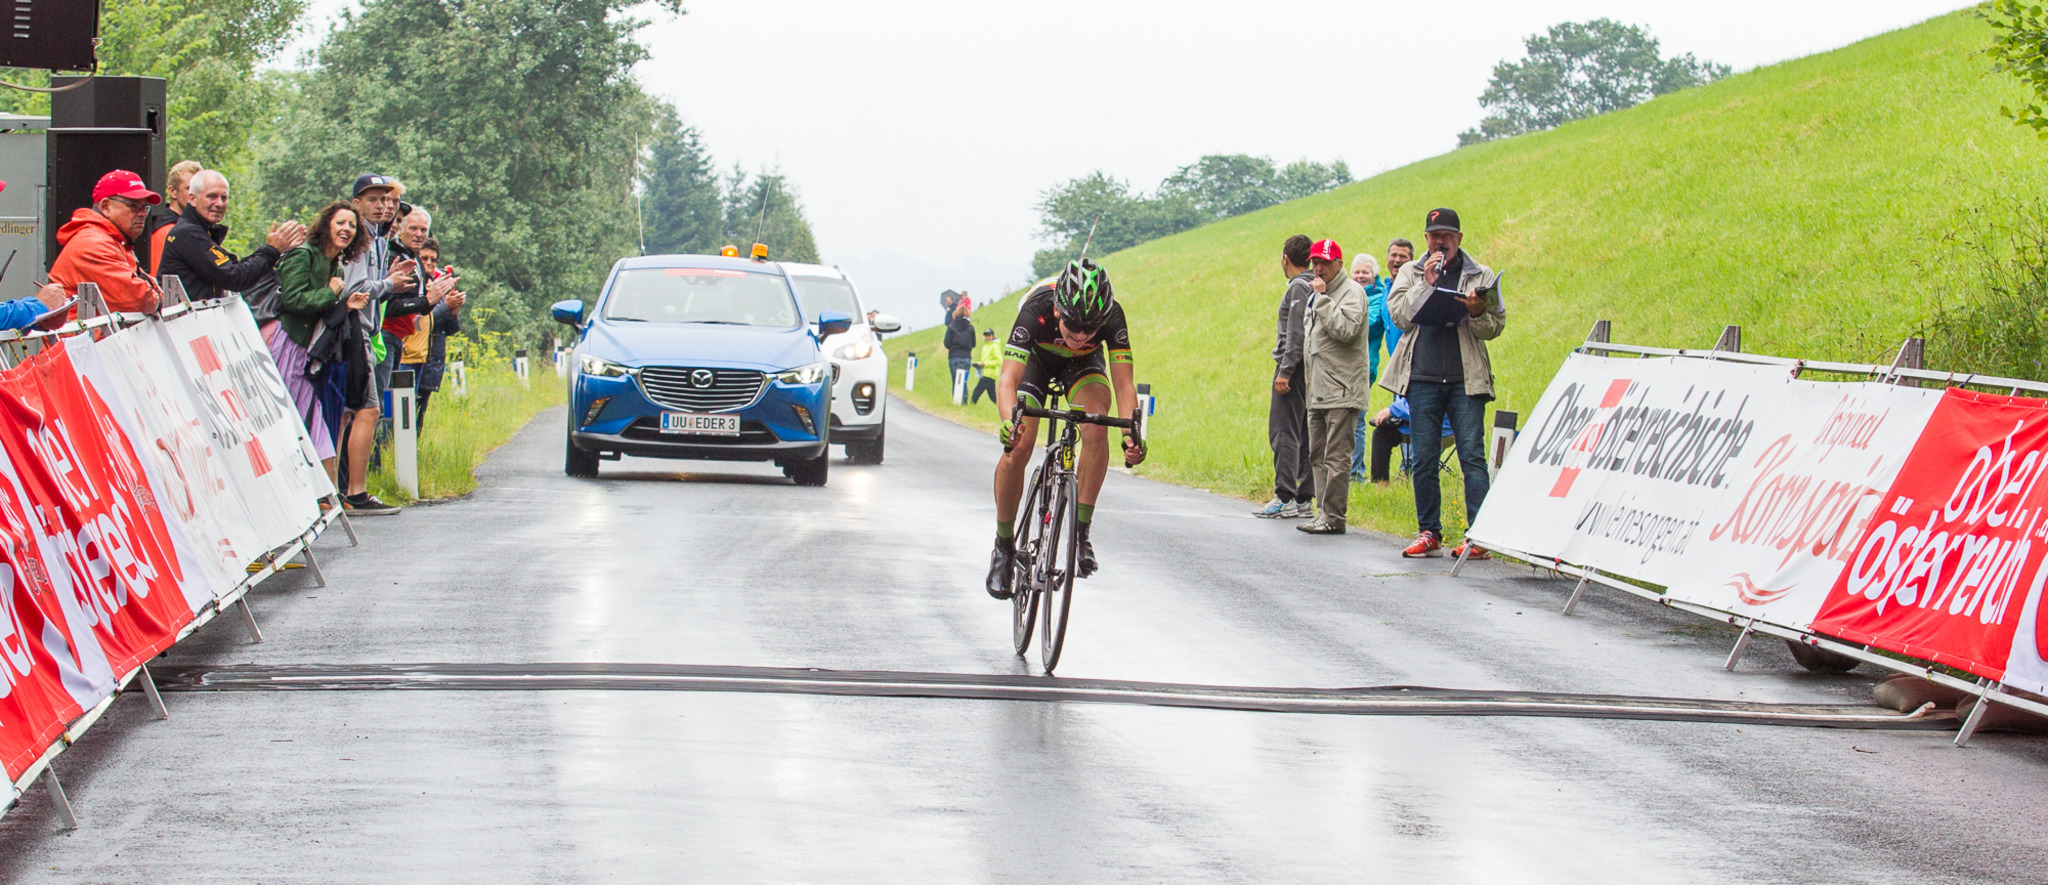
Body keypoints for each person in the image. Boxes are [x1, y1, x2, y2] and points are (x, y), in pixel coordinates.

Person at [985, 259, 1146, 599]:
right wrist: (1007, 421)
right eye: (1073, 327)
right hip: (1037, 362)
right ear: (1057, 309)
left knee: (1096, 425)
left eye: (1090, 330)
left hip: (1083, 366)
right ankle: (1003, 547)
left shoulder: (1113, 316)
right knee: (1019, 446)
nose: (1080, 336)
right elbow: (1007, 380)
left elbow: (1124, 385)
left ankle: (1081, 533)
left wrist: (1131, 433)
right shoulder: (1036, 307)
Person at [1383, 208, 1507, 559]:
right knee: (1422, 457)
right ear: (1426, 239)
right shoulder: (1410, 271)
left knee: (1471, 454)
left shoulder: (1478, 273)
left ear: (1459, 239)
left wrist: (1477, 311)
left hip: (1466, 381)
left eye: (1447, 235)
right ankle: (1429, 532)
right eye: (1435, 235)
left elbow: (1494, 328)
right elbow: (1400, 318)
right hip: (1421, 378)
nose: (1441, 241)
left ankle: (1477, 536)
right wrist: (1427, 283)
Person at [336, 174, 418, 515]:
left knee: (348, 413)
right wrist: (390, 284)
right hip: (352, 331)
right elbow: (353, 289)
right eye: (374, 199)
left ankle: (337, 492)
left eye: (388, 200)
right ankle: (352, 492)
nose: (383, 206)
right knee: (364, 411)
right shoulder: (359, 238)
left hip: (365, 333)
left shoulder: (380, 239)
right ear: (356, 203)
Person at [275, 201, 370, 486]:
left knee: (315, 417)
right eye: (341, 222)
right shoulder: (303, 256)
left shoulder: (336, 268)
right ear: (326, 225)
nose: (346, 229)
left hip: (314, 353)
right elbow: (292, 300)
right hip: (290, 346)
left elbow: (326, 312)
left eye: (352, 225)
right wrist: (329, 293)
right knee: (287, 417)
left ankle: (324, 492)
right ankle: (296, 489)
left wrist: (347, 305)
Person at [1297, 239, 1369, 535]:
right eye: (1315, 262)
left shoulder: (1353, 292)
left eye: (1325, 262)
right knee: (1317, 454)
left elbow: (1346, 331)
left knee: (1337, 457)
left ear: (1339, 264)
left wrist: (1323, 300)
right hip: (1317, 390)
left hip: (1342, 391)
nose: (1318, 268)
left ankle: (1333, 517)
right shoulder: (1317, 294)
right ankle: (1321, 513)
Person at [156, 169, 305, 303]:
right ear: (192, 199)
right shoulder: (188, 233)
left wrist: (278, 250)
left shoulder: (200, 231)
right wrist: (272, 250)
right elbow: (233, 278)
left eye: (224, 198)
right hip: (185, 326)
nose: (219, 203)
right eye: (212, 196)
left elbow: (236, 269)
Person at [1254, 234, 1316, 519]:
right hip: (1309, 370)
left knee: (1283, 432)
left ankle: (1285, 495)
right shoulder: (1313, 286)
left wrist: (1285, 371)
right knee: (1304, 432)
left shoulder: (1297, 289)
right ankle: (1304, 499)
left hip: (1293, 371)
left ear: (1285, 259)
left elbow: (1296, 334)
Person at [50, 169, 164, 316]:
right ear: (105, 206)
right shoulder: (94, 244)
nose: (142, 214)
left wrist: (152, 293)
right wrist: (155, 296)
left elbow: (147, 290)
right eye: (133, 206)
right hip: (83, 338)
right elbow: (140, 299)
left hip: (95, 337)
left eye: (145, 208)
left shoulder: (113, 241)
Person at [406, 235, 464, 427]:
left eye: (433, 259)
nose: (429, 263)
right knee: (404, 414)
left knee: (419, 414)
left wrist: (453, 311)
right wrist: (444, 308)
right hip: (411, 354)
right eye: (424, 258)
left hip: (433, 358)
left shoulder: (441, 283)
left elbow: (451, 329)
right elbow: (418, 320)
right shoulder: (413, 283)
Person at [146, 160, 203, 277]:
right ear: (173, 191)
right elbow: (157, 281)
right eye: (189, 188)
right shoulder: (165, 232)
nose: (196, 195)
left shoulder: (198, 228)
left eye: (200, 189)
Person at [943, 296, 975, 392]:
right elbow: (973, 344)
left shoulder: (951, 327)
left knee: (955, 380)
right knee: (964, 381)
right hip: (966, 357)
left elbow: (947, 343)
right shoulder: (970, 328)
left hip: (954, 356)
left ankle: (956, 400)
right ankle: (964, 399)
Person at [970, 327, 1001, 405]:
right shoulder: (986, 346)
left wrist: (985, 364)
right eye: (986, 335)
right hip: (985, 373)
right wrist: (979, 364)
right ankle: (1000, 406)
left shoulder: (994, 346)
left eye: (989, 335)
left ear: (993, 336)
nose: (987, 337)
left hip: (989, 374)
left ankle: (971, 405)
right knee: (992, 395)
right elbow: (986, 360)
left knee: (976, 392)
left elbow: (999, 361)